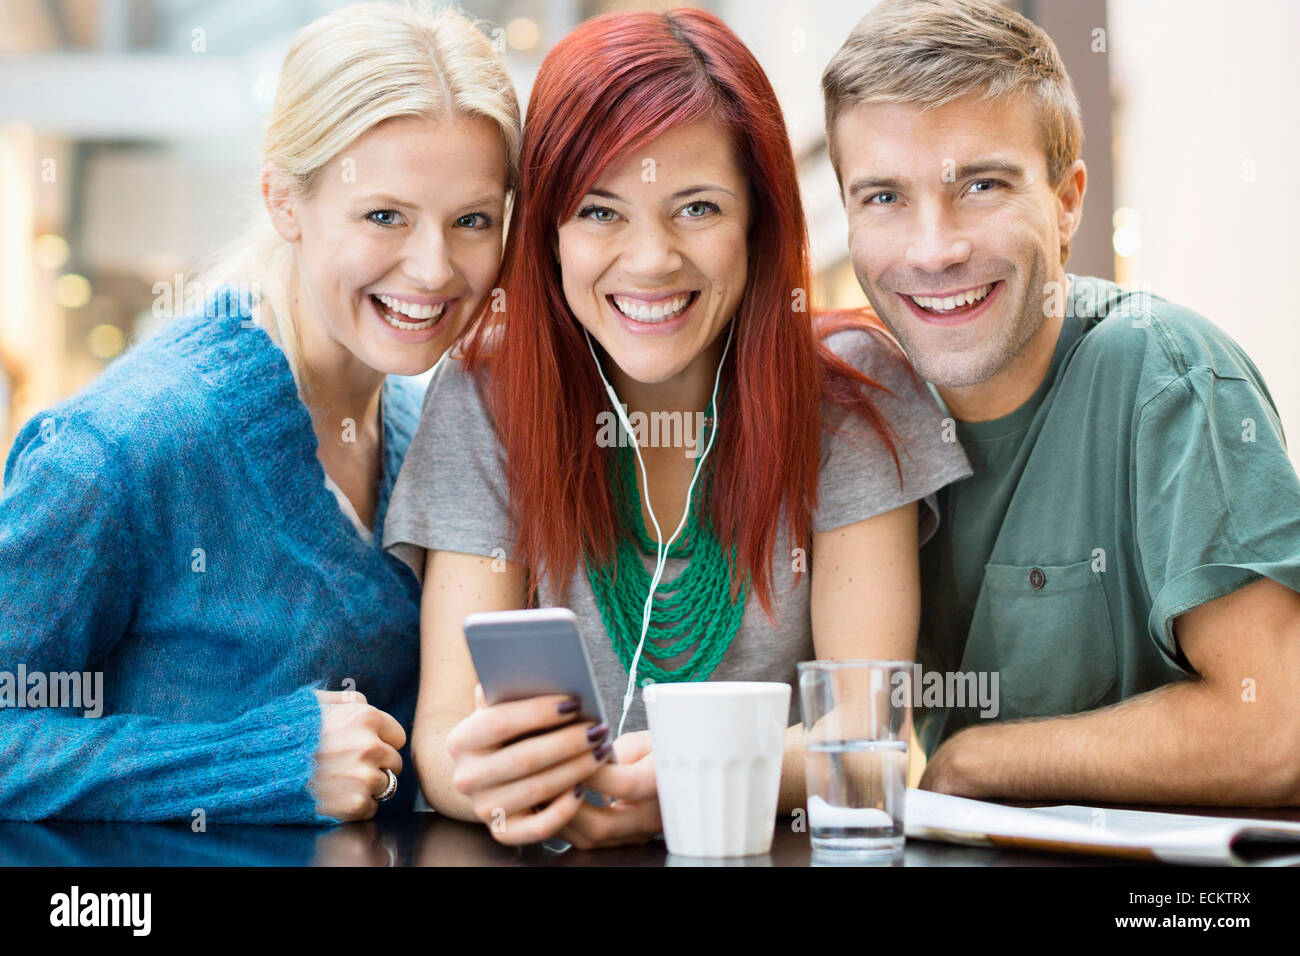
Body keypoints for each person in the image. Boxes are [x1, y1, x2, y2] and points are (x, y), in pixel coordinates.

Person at [384, 7, 971, 849]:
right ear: (546, 232)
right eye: (600, 212)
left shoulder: (852, 398)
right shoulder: (487, 396)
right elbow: (445, 739)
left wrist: (686, 779)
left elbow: (870, 747)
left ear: (759, 222)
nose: (651, 259)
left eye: (697, 209)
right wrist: (490, 773)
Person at [0, 2, 519, 824]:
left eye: (472, 222)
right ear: (284, 199)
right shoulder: (125, 443)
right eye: (385, 215)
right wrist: (253, 763)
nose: (434, 268)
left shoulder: (432, 430)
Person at [822, 0, 1300, 805]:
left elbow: (1279, 725)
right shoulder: (863, 418)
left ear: (1069, 199)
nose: (934, 249)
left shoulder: (1162, 374)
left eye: (982, 184)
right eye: (883, 197)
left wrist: (980, 761)